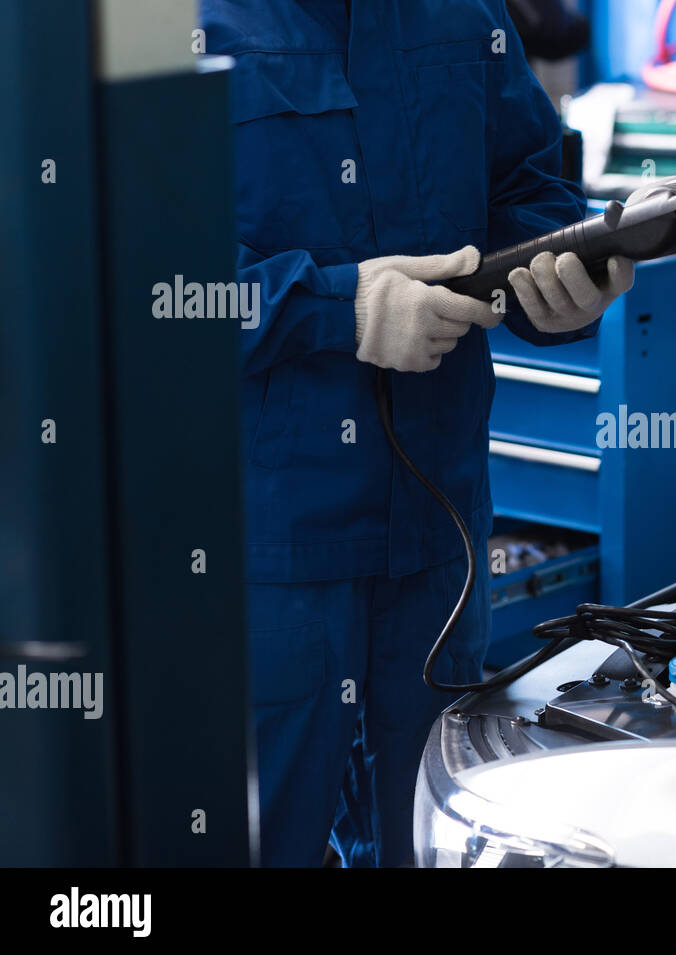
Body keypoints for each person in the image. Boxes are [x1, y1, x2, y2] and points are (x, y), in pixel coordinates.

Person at [199, 0, 634, 867]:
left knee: (435, 837)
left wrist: (559, 276)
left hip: (436, 532)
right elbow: (127, 274)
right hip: (259, 549)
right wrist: (338, 308)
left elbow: (523, 183)